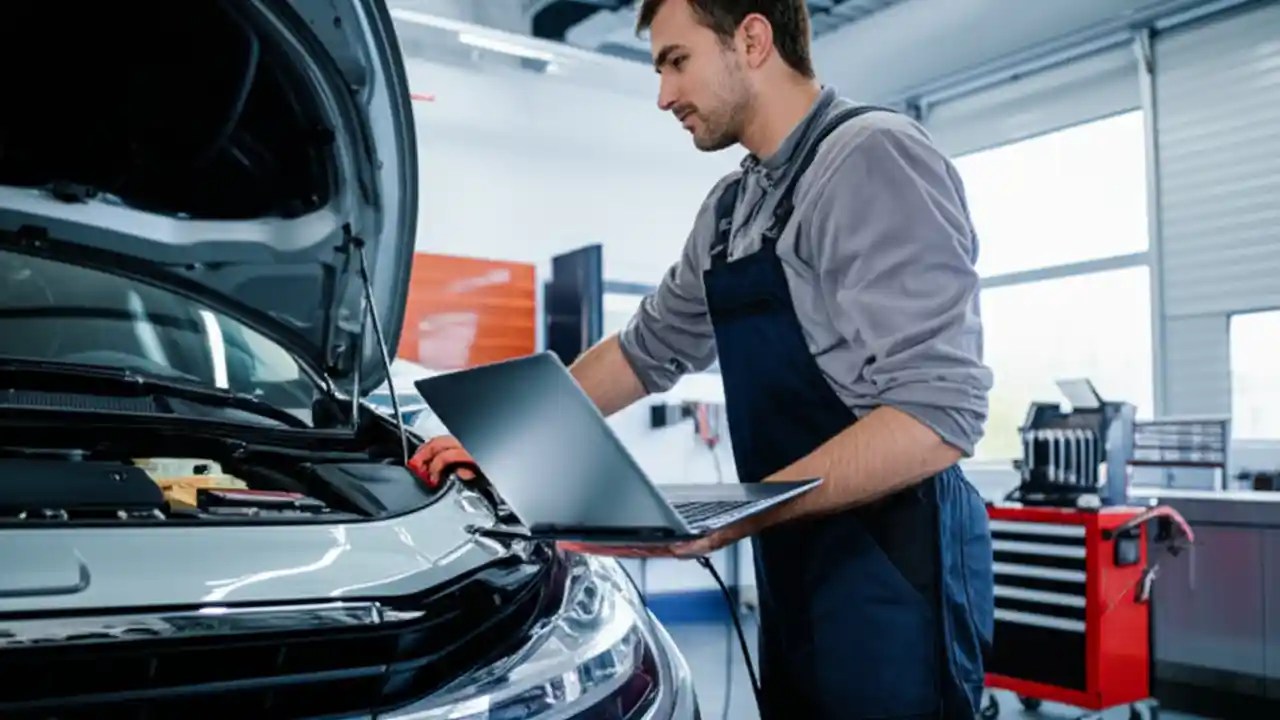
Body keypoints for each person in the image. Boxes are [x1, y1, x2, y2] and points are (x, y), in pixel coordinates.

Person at [408, 1, 995, 718]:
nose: (664, 96)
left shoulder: (872, 157)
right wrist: (507, 441)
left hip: (896, 570)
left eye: (677, 61)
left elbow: (938, 415)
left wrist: (744, 509)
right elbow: (645, 350)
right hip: (795, 556)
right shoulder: (732, 206)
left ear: (752, 39)